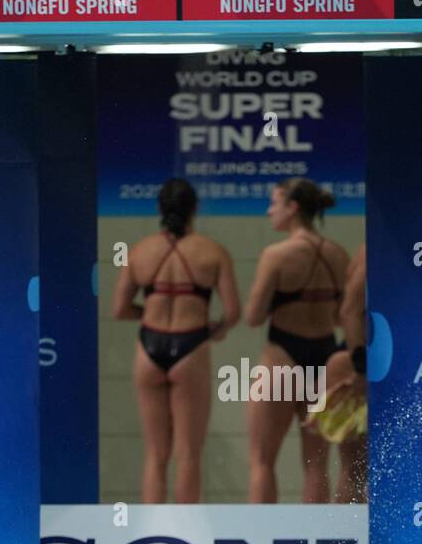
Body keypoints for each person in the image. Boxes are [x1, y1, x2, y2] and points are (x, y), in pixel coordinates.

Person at [111, 178, 240, 503]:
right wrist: (216, 329)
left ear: (159, 209)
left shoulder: (141, 251)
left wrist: (150, 313)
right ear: (194, 209)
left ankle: (153, 531)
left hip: (148, 348)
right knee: (188, 454)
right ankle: (185, 533)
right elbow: (234, 311)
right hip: (191, 347)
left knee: (155, 454)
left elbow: (120, 309)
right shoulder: (213, 252)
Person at [244, 179, 349, 503]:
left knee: (262, 462)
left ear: (293, 208)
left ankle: (259, 543)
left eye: (274, 203)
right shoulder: (338, 254)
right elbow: (341, 317)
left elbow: (253, 316)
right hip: (326, 357)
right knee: (316, 464)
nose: (268, 211)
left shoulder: (275, 255)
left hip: (281, 357)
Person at [308, 243, 368, 503]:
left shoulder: (366, 250)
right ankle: (350, 540)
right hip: (358, 362)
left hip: (361, 358)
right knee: (355, 467)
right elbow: (348, 311)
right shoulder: (373, 250)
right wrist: (360, 367)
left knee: (356, 468)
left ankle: (354, 536)